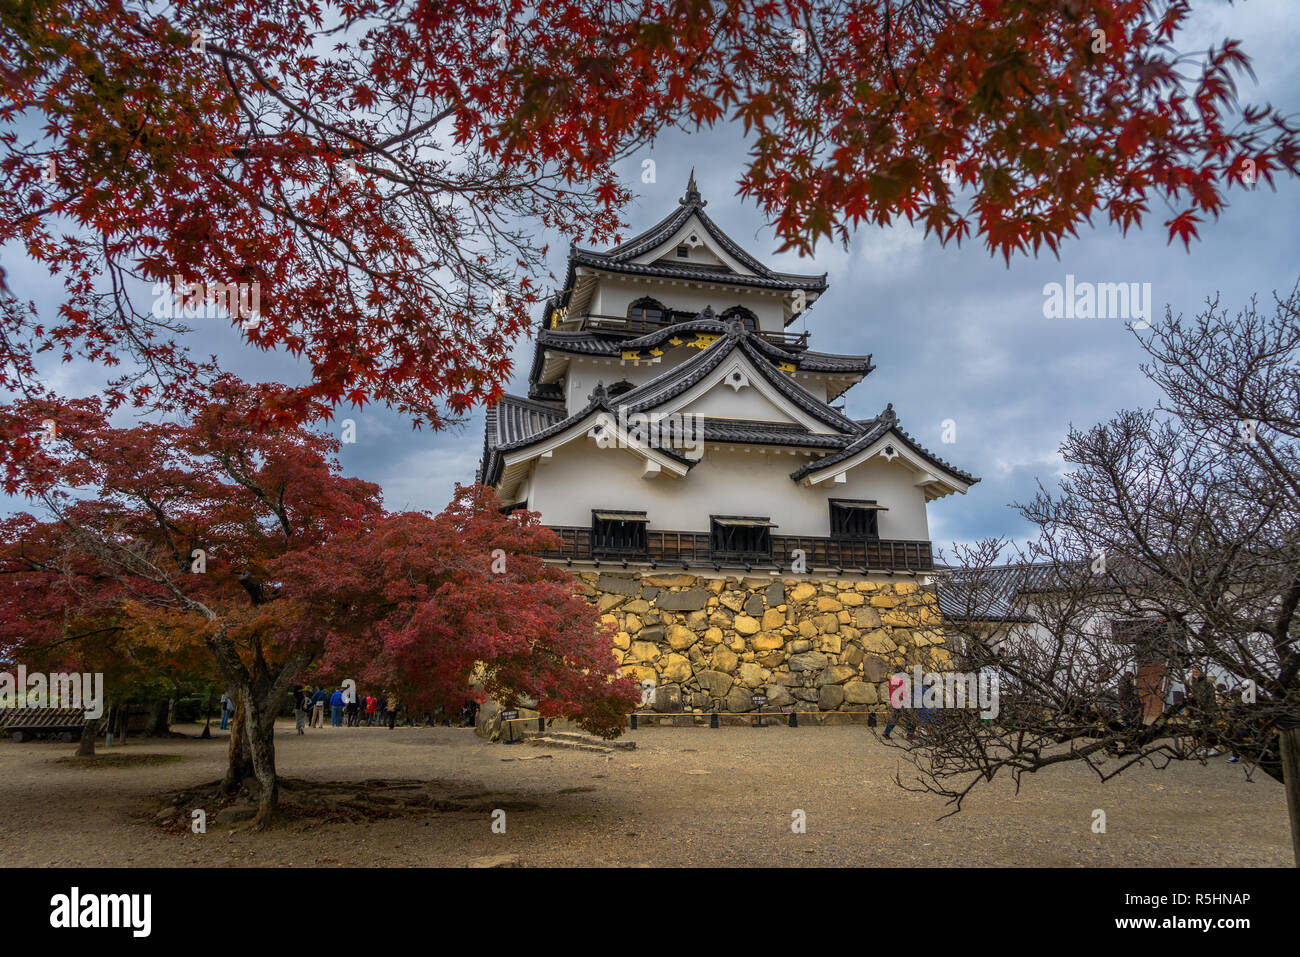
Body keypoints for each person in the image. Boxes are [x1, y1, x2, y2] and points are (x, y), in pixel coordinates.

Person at [1188, 667, 1220, 757]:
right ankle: (1202, 746)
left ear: (1201, 672)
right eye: (1193, 671)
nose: (1195, 673)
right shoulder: (1190, 681)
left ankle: (1212, 747)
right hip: (1195, 710)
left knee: (1208, 729)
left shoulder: (1207, 682)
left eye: (1197, 671)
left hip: (1206, 710)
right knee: (1196, 729)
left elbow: (1210, 697)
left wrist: (1210, 711)